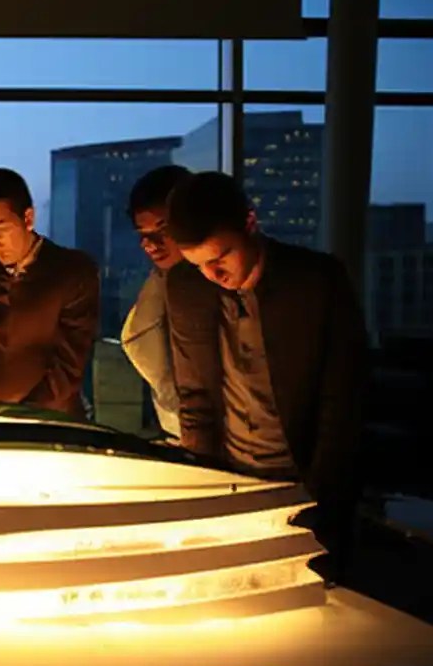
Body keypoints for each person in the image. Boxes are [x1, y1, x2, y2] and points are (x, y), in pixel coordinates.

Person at [165, 171, 365, 526]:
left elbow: (342, 401)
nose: (213, 275)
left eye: (221, 258)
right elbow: (195, 397)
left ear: (251, 223)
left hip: (306, 479)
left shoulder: (316, 281)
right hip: (229, 479)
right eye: (198, 265)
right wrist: (202, 488)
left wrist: (319, 499)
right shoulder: (185, 287)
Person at [0, 168, 99, 418]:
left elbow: (69, 364)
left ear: (28, 219)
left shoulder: (72, 271)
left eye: (0, 229)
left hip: (55, 421)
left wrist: (24, 415)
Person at [120, 165, 193, 438]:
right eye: (143, 234)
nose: (151, 244)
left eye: (162, 230)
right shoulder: (160, 287)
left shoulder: (223, 288)